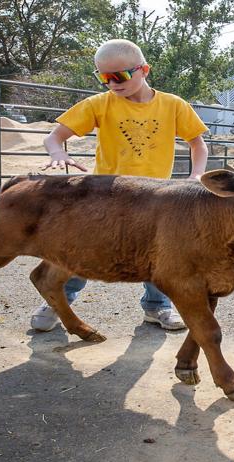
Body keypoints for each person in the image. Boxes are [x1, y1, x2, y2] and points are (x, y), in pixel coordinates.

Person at [30, 38, 208, 333]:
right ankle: (57, 300)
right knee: (83, 249)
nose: (112, 83)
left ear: (144, 70)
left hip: (155, 196)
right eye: (104, 77)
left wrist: (197, 175)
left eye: (120, 75)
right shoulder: (99, 104)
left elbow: (197, 144)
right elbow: (54, 137)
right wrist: (58, 153)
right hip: (107, 195)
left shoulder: (173, 105)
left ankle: (157, 307)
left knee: (160, 252)